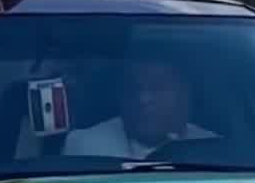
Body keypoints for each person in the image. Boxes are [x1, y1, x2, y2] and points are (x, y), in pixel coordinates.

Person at [63, 47, 214, 159]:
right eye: (133, 87)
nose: (143, 98)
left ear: (184, 94)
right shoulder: (84, 146)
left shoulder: (214, 149)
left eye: (158, 88)